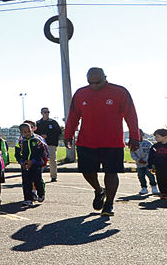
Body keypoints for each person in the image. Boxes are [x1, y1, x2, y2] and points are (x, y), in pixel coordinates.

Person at [63, 67, 140, 217]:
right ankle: (99, 190)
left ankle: (109, 203)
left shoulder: (119, 92)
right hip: (86, 141)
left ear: (105, 77)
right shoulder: (80, 93)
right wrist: (68, 135)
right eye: (90, 83)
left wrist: (134, 137)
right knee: (87, 171)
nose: (94, 86)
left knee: (111, 172)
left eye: (97, 82)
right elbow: (73, 116)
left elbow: (131, 115)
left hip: (112, 141)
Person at [15, 122, 47, 206]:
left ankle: (41, 194)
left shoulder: (37, 140)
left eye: (29, 131)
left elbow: (41, 152)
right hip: (25, 165)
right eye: (25, 132)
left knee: (37, 180)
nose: (28, 133)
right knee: (26, 182)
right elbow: (17, 154)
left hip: (36, 164)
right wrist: (21, 162)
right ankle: (28, 199)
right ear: (21, 133)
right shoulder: (20, 142)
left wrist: (33, 161)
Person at [36, 107, 62, 182]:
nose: (46, 113)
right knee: (40, 160)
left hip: (51, 144)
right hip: (40, 145)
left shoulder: (53, 122)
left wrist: (48, 136)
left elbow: (58, 132)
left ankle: (53, 176)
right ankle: (38, 175)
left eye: (48, 112)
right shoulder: (38, 123)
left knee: (52, 160)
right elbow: (35, 133)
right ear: (41, 113)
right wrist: (41, 136)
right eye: (45, 112)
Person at [130, 131, 159, 195]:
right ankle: (144, 187)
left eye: (139, 134)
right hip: (139, 164)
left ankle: (154, 186)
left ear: (142, 134)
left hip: (148, 163)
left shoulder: (147, 143)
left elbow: (151, 152)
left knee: (150, 174)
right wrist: (138, 160)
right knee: (141, 176)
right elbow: (132, 154)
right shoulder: (133, 144)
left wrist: (146, 159)